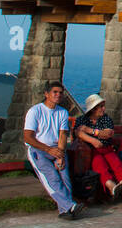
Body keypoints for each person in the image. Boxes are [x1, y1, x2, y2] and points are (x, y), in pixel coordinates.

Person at [22, 81, 82, 220]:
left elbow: (62, 134)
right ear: (46, 94)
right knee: (52, 179)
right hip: (39, 150)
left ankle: (65, 211)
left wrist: (60, 154)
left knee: (65, 179)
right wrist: (48, 150)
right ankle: (70, 206)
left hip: (57, 150)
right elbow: (28, 137)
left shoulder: (62, 112)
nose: (58, 95)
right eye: (55, 92)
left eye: (60, 93)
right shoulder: (35, 111)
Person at [75, 93, 122, 202]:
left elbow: (107, 134)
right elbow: (78, 133)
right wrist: (93, 140)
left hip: (107, 148)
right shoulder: (82, 119)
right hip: (92, 151)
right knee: (99, 164)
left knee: (116, 163)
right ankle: (112, 187)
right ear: (93, 109)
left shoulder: (106, 119)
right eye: (101, 106)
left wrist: (90, 131)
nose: (103, 109)